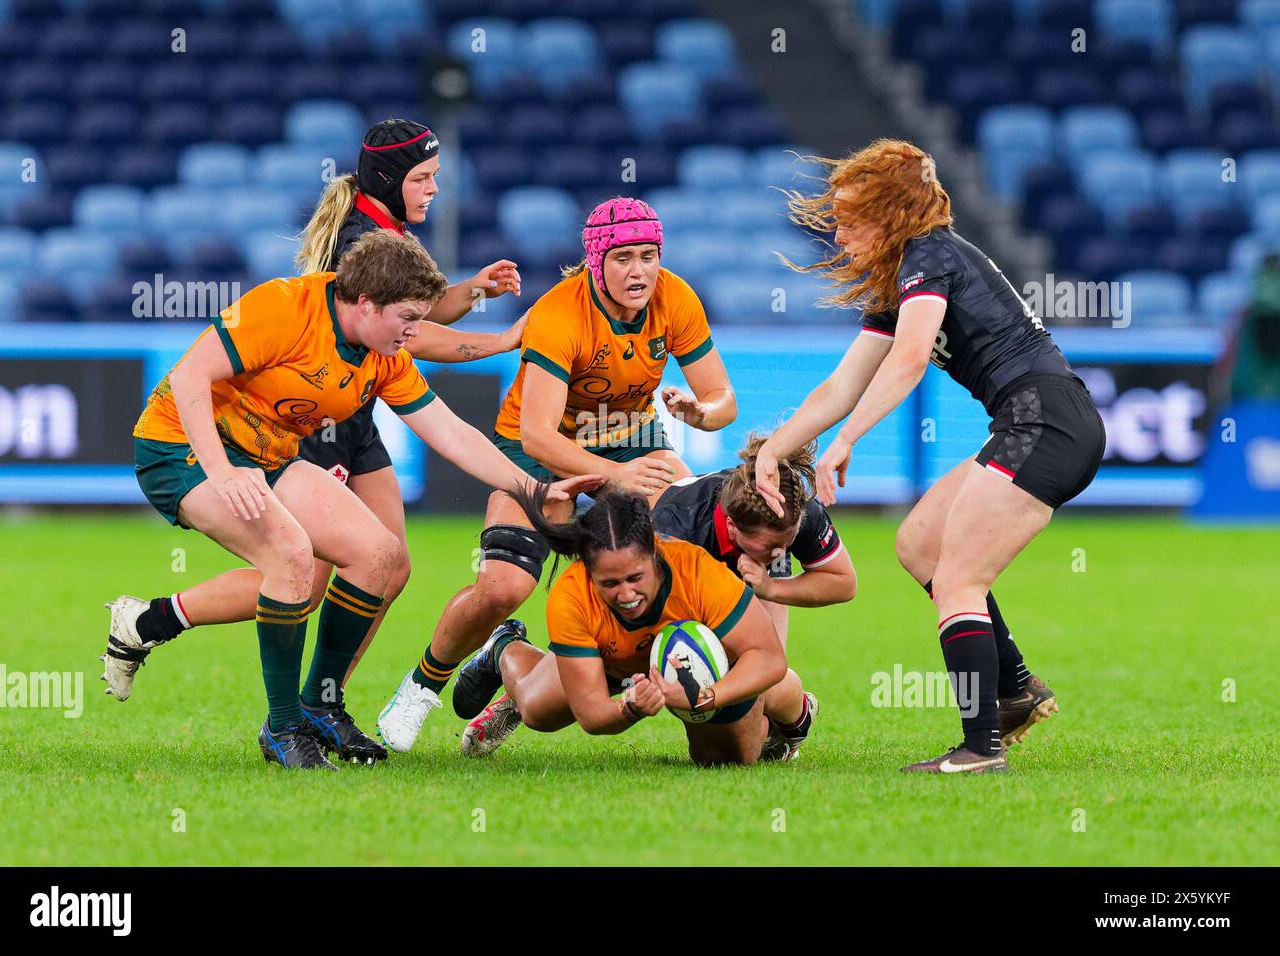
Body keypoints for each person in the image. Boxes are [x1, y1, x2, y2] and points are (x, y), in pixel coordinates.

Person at [101, 120, 526, 760]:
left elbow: (452, 433)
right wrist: (222, 472)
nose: (417, 333)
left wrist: (532, 486)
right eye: (409, 319)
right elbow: (190, 376)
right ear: (364, 302)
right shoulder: (284, 306)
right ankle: (283, 726)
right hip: (181, 451)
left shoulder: (382, 343)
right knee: (294, 563)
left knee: (381, 560)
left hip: (271, 452)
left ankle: (320, 702)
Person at [755, 139, 1103, 773]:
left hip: (1045, 421)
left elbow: (911, 359)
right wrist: (775, 450)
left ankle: (980, 749)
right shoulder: (904, 276)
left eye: (849, 216)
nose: (837, 231)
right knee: (919, 544)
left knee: (961, 581)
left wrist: (847, 439)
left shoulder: (930, 254)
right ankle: (1016, 689)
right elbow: (842, 384)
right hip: (1035, 421)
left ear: (890, 211)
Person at [376, 197, 738, 753]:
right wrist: (613, 479)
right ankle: (424, 684)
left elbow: (722, 400)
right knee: (502, 587)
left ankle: (719, 705)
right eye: (623, 258)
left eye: (648, 256)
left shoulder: (677, 298)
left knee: (688, 558)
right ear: (596, 262)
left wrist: (700, 414)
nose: (638, 271)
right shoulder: (559, 314)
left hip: (633, 439)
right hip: (535, 453)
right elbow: (537, 435)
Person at [450, 484, 787, 766]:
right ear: (588, 572)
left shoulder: (698, 571)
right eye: (609, 583)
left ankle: (792, 717)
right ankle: (504, 646)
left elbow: (769, 658)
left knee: (730, 762)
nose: (626, 594)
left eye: (635, 577)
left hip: (693, 672)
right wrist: (632, 707)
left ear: (656, 553)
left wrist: (705, 697)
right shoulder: (572, 594)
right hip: (609, 659)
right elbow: (593, 715)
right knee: (538, 713)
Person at [648, 433, 857, 760]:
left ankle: (794, 717)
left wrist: (771, 587)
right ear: (732, 527)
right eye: (771, 547)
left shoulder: (794, 510)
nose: (782, 551)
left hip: (756, 587)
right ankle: (786, 713)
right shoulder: (677, 528)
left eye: (786, 543)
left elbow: (844, 583)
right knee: (714, 752)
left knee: (760, 687)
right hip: (691, 602)